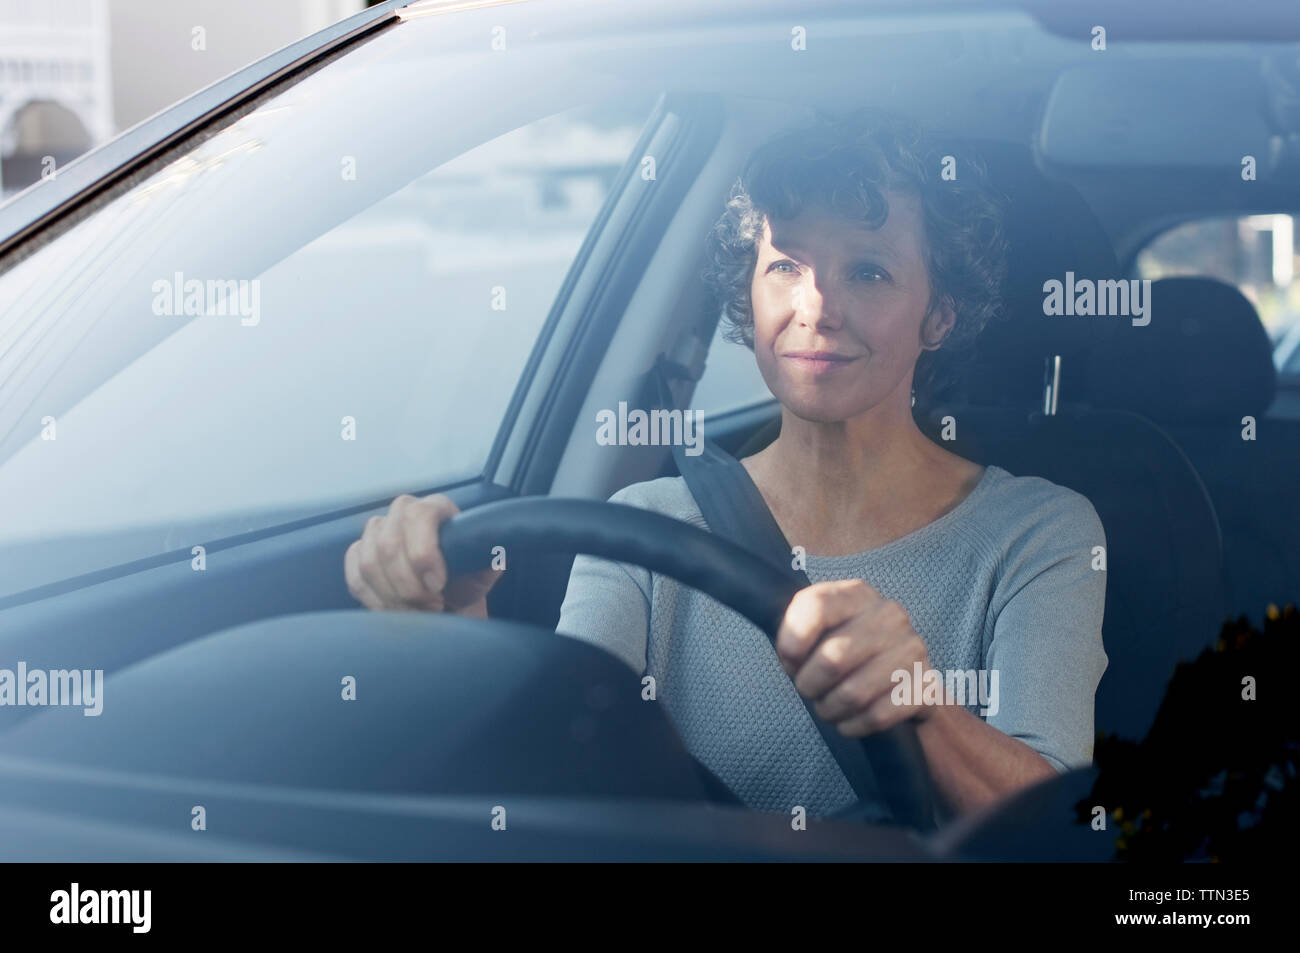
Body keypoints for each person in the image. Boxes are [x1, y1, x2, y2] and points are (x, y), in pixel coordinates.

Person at [343, 111, 1108, 823]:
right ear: (749, 291)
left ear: (940, 313)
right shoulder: (643, 524)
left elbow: (1058, 828)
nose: (817, 308)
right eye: (785, 266)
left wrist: (920, 705)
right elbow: (564, 781)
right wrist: (456, 624)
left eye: (868, 272)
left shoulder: (1037, 531)